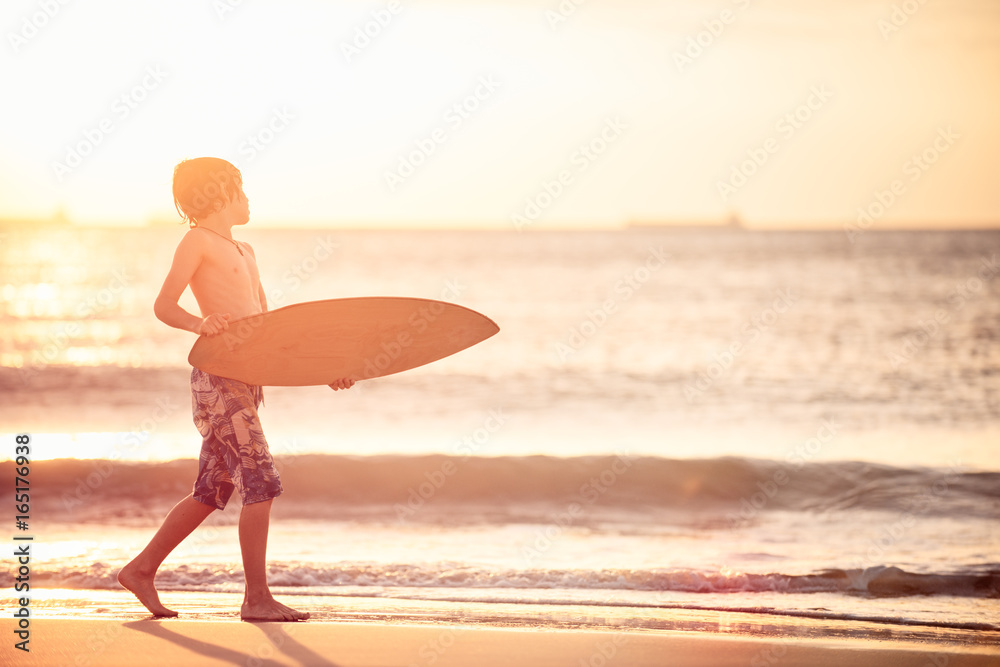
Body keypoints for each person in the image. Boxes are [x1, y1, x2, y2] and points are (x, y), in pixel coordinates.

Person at [117, 157, 354, 621]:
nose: (248, 199)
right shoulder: (196, 242)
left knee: (212, 490)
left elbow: (270, 332)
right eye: (242, 191)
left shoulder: (246, 252)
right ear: (219, 193)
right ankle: (256, 599)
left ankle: (141, 570)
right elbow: (164, 304)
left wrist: (326, 367)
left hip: (245, 381)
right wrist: (199, 323)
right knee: (260, 481)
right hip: (217, 378)